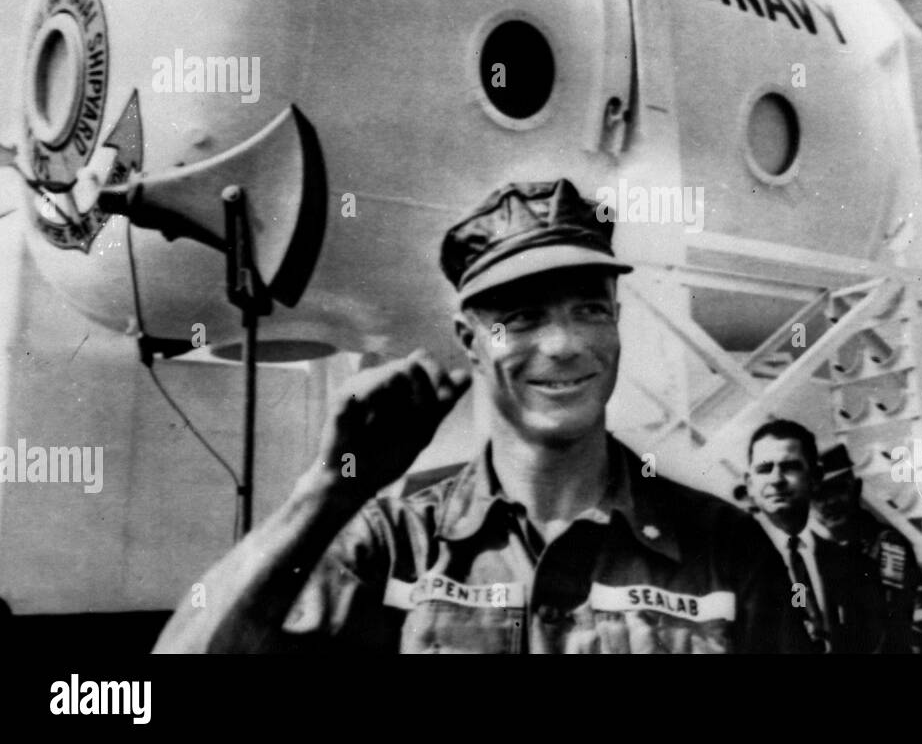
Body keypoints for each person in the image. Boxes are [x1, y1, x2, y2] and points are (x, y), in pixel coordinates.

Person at [155, 178, 811, 654]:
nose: (563, 343)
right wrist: (330, 489)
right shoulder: (396, 547)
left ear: (616, 322)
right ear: (468, 340)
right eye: (522, 317)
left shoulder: (726, 552)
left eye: (589, 308)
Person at [745, 419, 889, 653]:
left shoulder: (850, 563)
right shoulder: (731, 560)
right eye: (764, 469)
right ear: (750, 484)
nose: (776, 479)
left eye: (790, 467)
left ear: (815, 477)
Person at [811, 443, 920, 653]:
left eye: (838, 489)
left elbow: (894, 615)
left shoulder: (887, 545)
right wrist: (803, 611)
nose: (829, 503)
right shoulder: (814, 552)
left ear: (856, 487)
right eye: (819, 495)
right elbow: (800, 593)